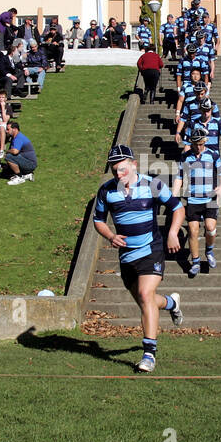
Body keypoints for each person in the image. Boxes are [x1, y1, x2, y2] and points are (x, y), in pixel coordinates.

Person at [91, 145, 185, 373]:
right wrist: (111, 235)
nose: (118, 175)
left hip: (150, 249)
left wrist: (172, 233)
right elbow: (98, 220)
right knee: (146, 300)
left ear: (134, 165)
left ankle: (149, 355)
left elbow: (177, 207)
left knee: (145, 294)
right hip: (126, 256)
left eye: (122, 169)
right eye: (114, 171)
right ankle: (171, 303)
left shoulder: (152, 184)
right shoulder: (106, 191)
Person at [173, 124, 221, 279]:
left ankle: (209, 250)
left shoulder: (213, 154)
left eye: (201, 144)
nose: (198, 147)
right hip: (193, 199)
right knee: (193, 230)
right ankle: (195, 261)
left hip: (210, 198)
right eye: (195, 144)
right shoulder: (186, 157)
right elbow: (179, 177)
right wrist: (174, 196)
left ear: (205, 141)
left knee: (210, 227)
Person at [3, 120, 37, 185]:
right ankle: (27, 174)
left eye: (8, 129)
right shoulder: (15, 137)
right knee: (9, 159)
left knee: (8, 157)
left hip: (30, 164)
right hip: (29, 162)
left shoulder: (18, 138)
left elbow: (15, 151)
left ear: (15, 129)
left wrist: (7, 151)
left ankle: (19, 177)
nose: (6, 131)